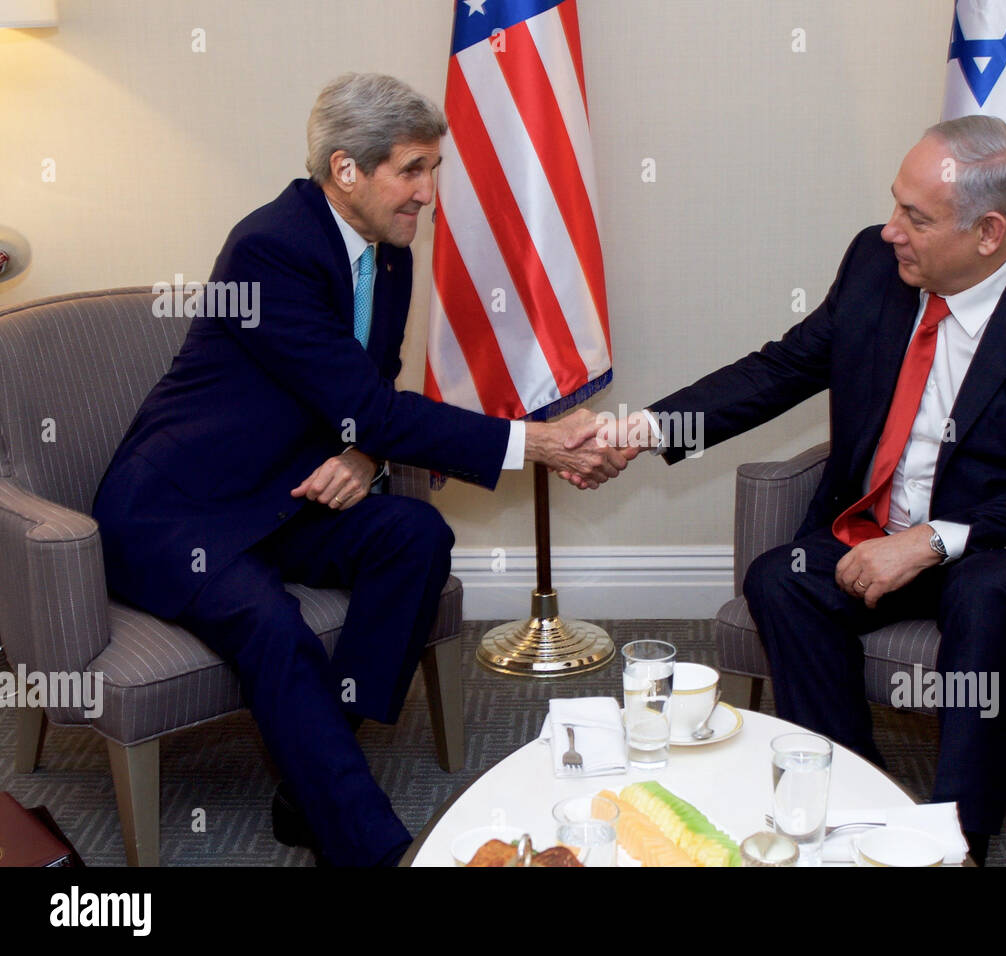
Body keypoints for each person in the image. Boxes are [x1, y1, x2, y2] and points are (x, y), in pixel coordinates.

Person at [91, 73, 625, 866]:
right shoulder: (270, 248)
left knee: (413, 535)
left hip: (285, 495)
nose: (429, 194)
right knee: (272, 630)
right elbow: (366, 401)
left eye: (432, 170)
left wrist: (364, 453)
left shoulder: (389, 251)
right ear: (347, 170)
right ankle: (374, 850)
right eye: (412, 170)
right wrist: (535, 442)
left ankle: (312, 771)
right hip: (183, 512)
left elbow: (366, 395)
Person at [604, 116, 1006, 865]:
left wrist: (928, 543)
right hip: (880, 529)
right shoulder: (874, 264)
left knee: (981, 594)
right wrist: (644, 431)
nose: (889, 231)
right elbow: (781, 369)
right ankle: (857, 801)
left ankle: (958, 838)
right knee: (779, 580)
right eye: (895, 204)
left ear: (988, 232)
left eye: (914, 218)